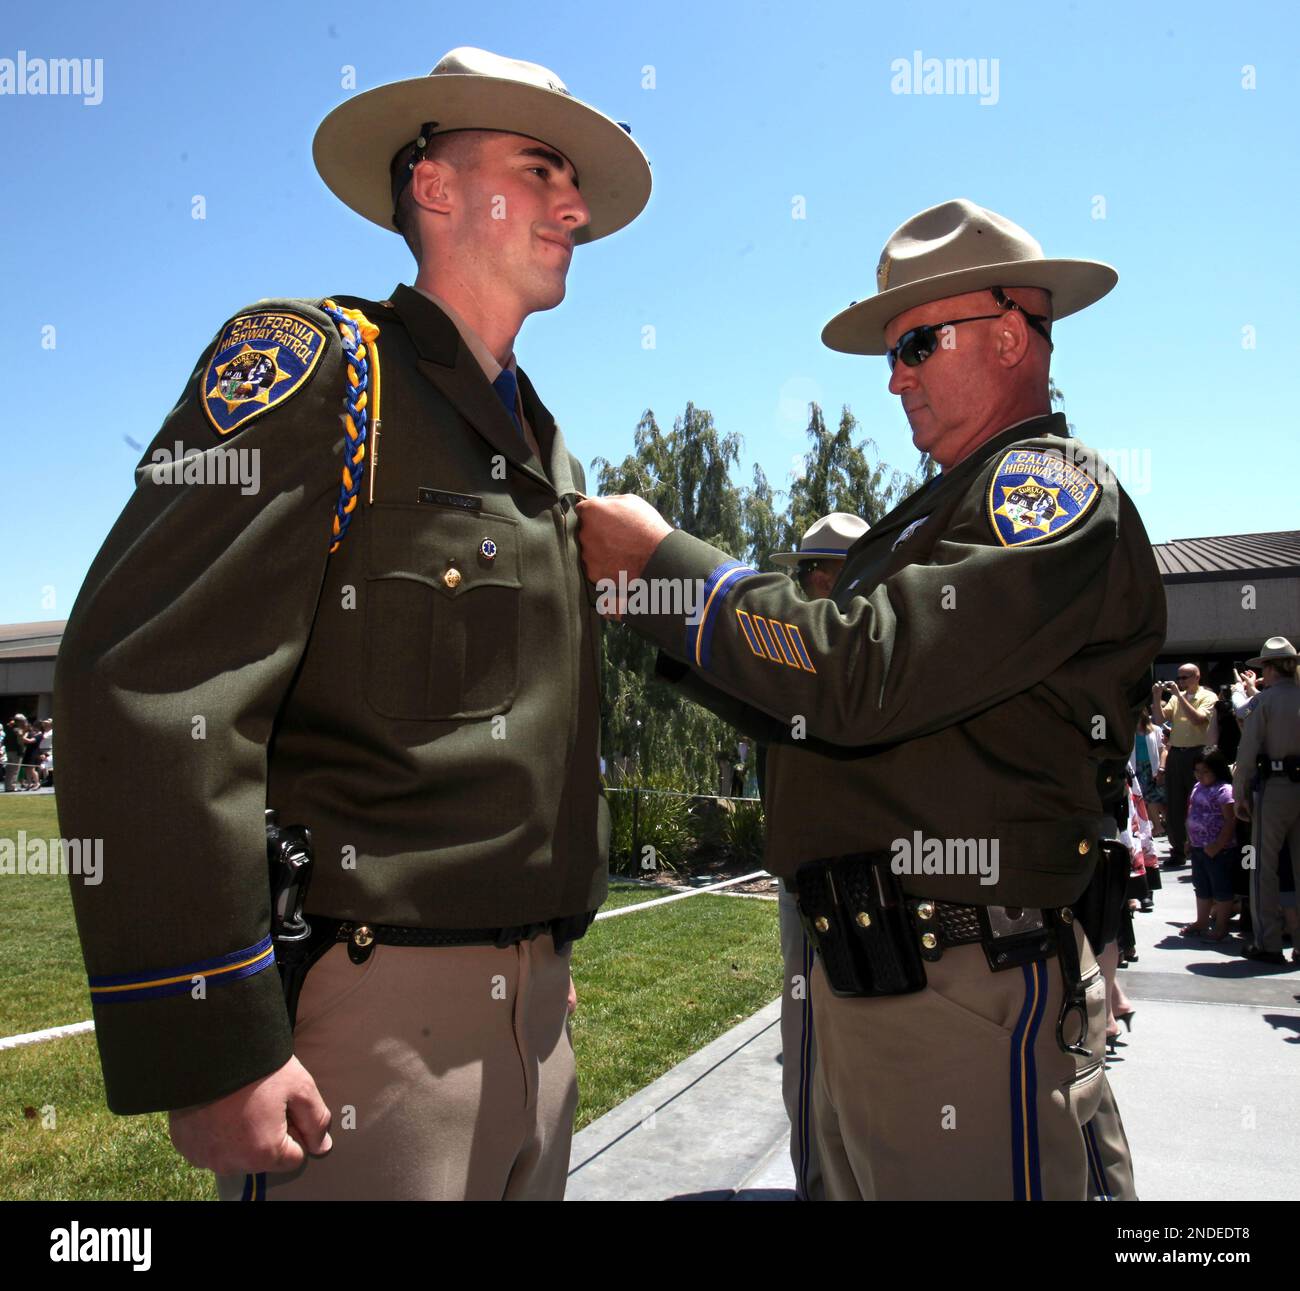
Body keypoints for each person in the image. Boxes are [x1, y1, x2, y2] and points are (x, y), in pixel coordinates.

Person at [54, 47, 651, 1200]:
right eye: (540, 169)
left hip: (535, 1020)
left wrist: (534, 941)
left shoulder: (547, 449)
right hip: (366, 1031)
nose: (575, 207)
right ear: (433, 185)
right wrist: (216, 1034)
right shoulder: (320, 369)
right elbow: (146, 679)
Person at [577, 198, 1163, 1199]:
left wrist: (672, 568)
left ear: (1013, 333)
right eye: (891, 352)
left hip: (957, 987)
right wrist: (654, 601)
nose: (894, 377)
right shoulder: (934, 515)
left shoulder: (1046, 491)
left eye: (917, 344)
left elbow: (857, 673)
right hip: (874, 974)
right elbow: (825, 709)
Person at [766, 512, 869, 1201]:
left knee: (814, 1061)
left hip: (823, 889)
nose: (799, 583)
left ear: (834, 575)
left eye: (808, 570)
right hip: (856, 891)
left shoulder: (805, 657)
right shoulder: (877, 651)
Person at [1231, 637, 1300, 967]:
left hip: (1274, 789)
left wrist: (1239, 793)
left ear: (1269, 668)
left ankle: (1269, 942)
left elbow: (1246, 756)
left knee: (1263, 869)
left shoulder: (1265, 702)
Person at [1151, 663, 1217, 867]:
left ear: (1197, 677)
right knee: (1174, 805)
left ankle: (1200, 847)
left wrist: (1180, 696)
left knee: (1199, 802)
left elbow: (1198, 719)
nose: (1180, 682)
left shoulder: (1207, 697)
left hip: (1197, 754)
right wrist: (1156, 695)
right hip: (1177, 754)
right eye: (1178, 678)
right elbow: (1159, 719)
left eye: (1184, 677)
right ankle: (1177, 849)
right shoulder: (1174, 698)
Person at [1180, 748, 1238, 942]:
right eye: (1197, 771)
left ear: (1217, 770)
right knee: (1201, 886)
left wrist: (1218, 845)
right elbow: (1191, 813)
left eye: (1205, 771)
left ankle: (1221, 925)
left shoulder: (1224, 790)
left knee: (1221, 888)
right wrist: (1189, 840)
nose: (1200, 775)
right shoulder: (1197, 788)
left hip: (1218, 850)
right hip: (1197, 847)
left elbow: (1230, 821)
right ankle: (1201, 921)